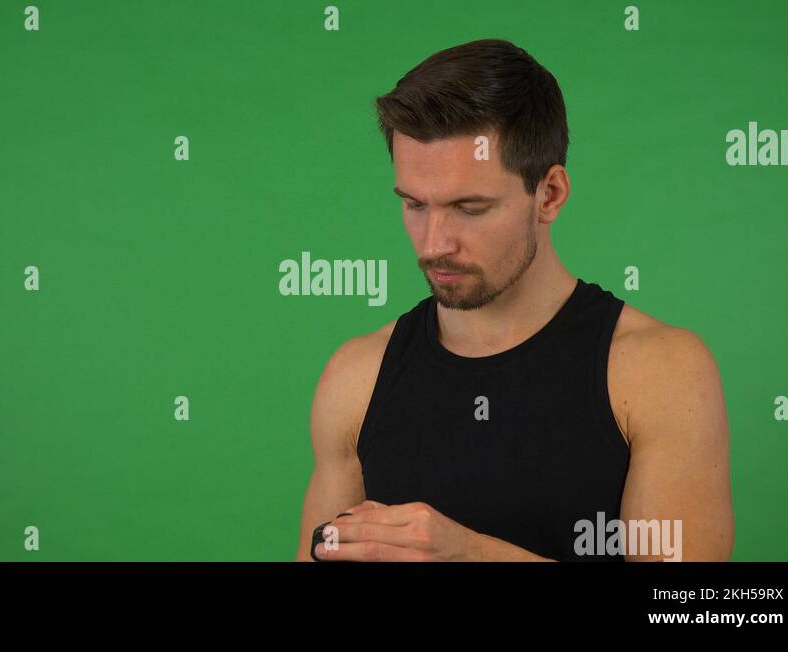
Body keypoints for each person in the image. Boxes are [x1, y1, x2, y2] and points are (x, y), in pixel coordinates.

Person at [296, 38, 733, 561]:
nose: (435, 243)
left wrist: (472, 555)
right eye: (414, 204)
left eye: (470, 208)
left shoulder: (661, 372)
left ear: (548, 195)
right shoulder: (355, 378)